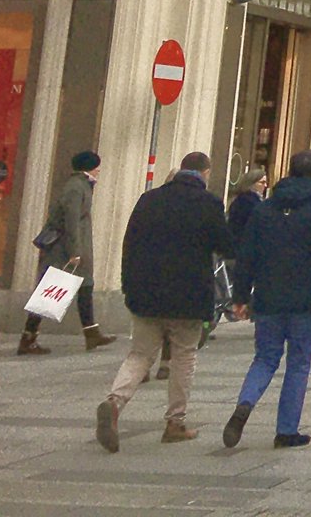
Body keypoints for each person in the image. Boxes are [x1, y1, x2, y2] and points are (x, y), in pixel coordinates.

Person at [95, 150, 235, 451]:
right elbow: (225, 245)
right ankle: (175, 422)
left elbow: (129, 244)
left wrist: (129, 286)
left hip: (146, 293)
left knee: (140, 354)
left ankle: (115, 401)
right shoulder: (208, 203)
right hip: (187, 295)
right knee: (184, 356)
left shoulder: (149, 200)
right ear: (205, 173)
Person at [224, 150, 311, 450]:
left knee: (265, 358)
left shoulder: (264, 210)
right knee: (298, 363)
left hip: (267, 297)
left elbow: (247, 255)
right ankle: (286, 430)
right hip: (305, 300)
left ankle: (245, 403)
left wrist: (240, 296)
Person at [18, 149, 114, 356]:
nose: (99, 170)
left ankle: (91, 332)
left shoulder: (81, 185)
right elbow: (71, 220)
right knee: (49, 291)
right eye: (97, 166)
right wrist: (75, 251)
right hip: (66, 249)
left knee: (85, 286)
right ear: (89, 167)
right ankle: (28, 337)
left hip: (76, 246)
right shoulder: (76, 187)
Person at [227, 168, 267, 246]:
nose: (265, 186)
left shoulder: (238, 200)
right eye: (262, 182)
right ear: (252, 183)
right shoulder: (252, 203)